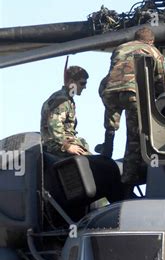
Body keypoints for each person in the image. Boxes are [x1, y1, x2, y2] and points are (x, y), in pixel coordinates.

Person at [98, 26, 165, 195]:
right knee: (133, 141)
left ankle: (106, 150)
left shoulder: (120, 48)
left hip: (109, 92)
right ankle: (128, 185)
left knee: (111, 126)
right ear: (151, 41)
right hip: (132, 95)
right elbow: (164, 83)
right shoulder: (152, 51)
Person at [40, 65, 123, 204]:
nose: (84, 87)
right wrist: (67, 146)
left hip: (63, 144)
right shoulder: (62, 100)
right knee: (103, 167)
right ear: (71, 82)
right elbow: (54, 124)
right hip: (58, 147)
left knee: (102, 165)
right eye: (82, 83)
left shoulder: (66, 99)